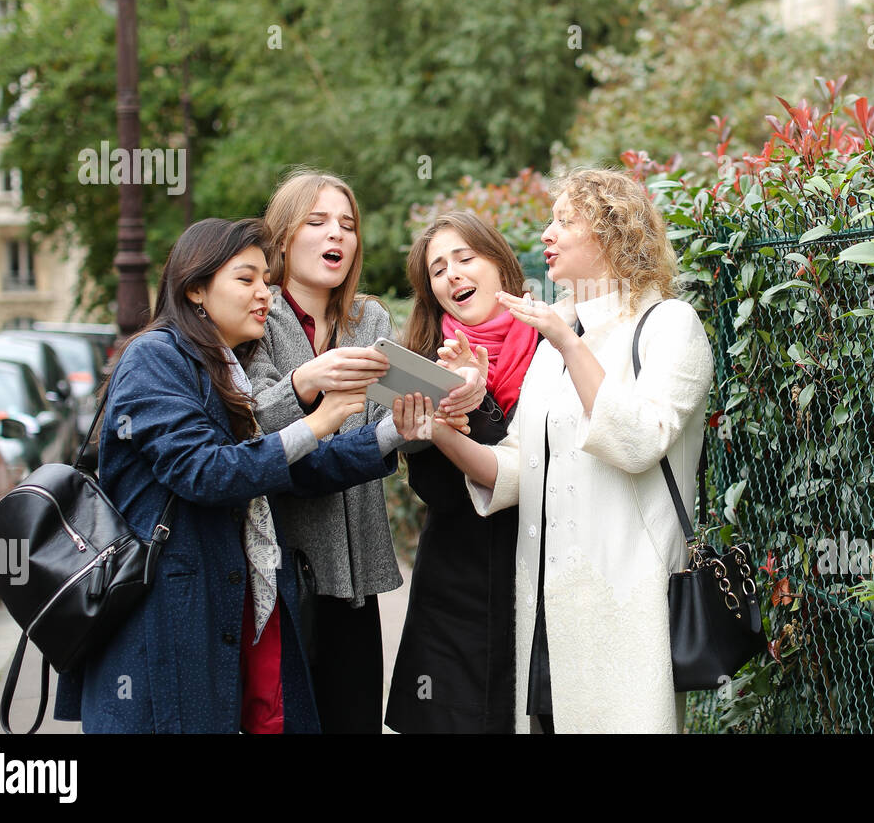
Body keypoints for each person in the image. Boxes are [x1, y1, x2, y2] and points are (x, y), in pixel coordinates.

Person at [392, 169, 714, 733]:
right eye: (549, 220)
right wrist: (439, 429)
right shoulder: (559, 335)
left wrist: (566, 341)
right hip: (544, 615)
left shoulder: (669, 326)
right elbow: (516, 469)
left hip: (624, 605)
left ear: (614, 232)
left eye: (565, 221)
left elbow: (636, 441)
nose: (547, 234)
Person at [53, 218, 396, 733]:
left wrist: (398, 431)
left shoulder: (224, 368)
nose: (264, 294)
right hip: (165, 621)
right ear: (195, 288)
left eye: (266, 280)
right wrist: (319, 420)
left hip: (229, 612)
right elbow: (207, 472)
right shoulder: (156, 358)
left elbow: (285, 470)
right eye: (246, 279)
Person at [244, 170, 482, 733]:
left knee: (355, 721)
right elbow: (253, 437)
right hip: (280, 570)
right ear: (282, 237)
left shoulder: (369, 320)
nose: (338, 235)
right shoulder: (257, 313)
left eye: (348, 225)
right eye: (319, 221)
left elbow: (377, 441)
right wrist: (305, 384)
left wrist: (425, 415)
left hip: (357, 572)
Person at [384, 211, 540, 734]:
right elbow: (435, 489)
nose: (452, 274)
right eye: (437, 269)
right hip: (456, 585)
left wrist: (484, 390)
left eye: (465, 258)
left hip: (540, 580)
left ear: (500, 266)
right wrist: (458, 402)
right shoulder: (425, 365)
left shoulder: (553, 348)